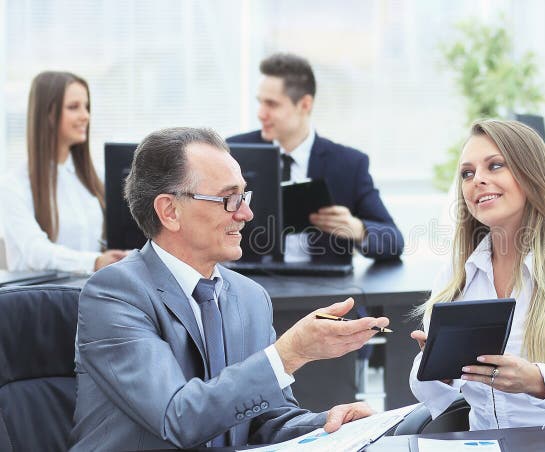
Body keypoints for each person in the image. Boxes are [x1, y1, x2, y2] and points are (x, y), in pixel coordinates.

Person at [70, 127, 390, 450]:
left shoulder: (251, 298)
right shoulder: (114, 294)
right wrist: (289, 353)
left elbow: (264, 422)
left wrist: (328, 425)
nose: (246, 213)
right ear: (169, 211)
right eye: (228, 199)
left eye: (244, 196)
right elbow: (177, 419)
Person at [408, 119, 545, 430]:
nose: (477, 180)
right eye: (467, 174)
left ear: (530, 175)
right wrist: (438, 368)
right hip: (481, 445)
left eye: (495, 166)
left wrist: (537, 381)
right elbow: (434, 396)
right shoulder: (456, 274)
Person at [228, 53, 403, 263]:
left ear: (304, 105)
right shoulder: (233, 155)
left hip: (323, 288)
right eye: (260, 103)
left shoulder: (349, 164)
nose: (261, 113)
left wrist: (359, 230)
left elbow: (395, 240)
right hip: (250, 283)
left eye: (272, 104)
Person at [0, 71, 126, 273]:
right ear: (48, 114)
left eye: (86, 107)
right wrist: (94, 262)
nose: (85, 116)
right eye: (73, 107)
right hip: (42, 300)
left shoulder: (96, 178)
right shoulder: (14, 185)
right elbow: (36, 252)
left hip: (89, 293)